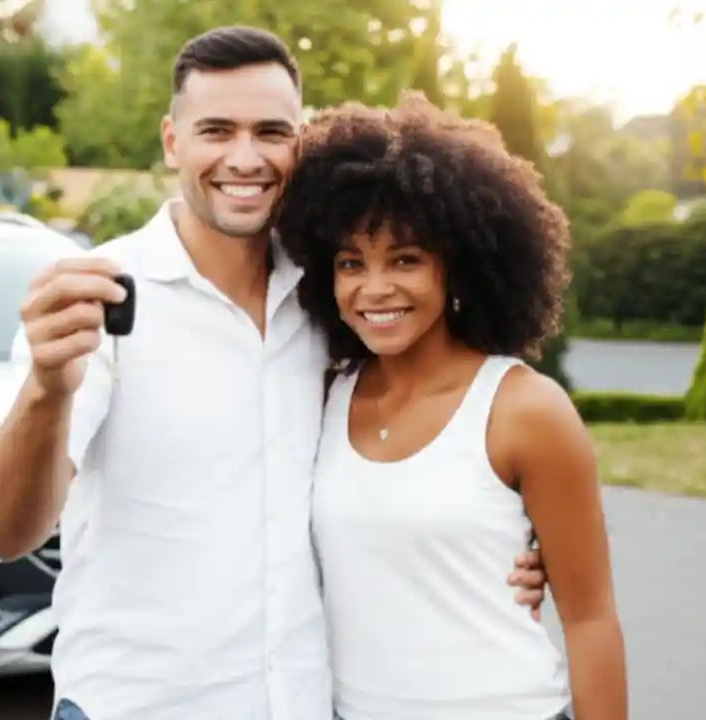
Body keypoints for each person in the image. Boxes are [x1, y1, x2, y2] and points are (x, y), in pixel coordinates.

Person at [0, 27, 549, 720]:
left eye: (270, 132)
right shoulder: (101, 299)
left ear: (299, 144)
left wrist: (512, 536)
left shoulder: (335, 296)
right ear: (172, 141)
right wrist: (46, 391)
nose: (244, 158)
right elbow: (8, 532)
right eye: (216, 130)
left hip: (304, 703)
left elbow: (430, 423)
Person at [274, 92, 628, 720]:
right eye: (351, 263)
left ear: (458, 267)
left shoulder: (524, 410)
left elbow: (591, 618)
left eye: (405, 260)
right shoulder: (324, 396)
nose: (374, 288)